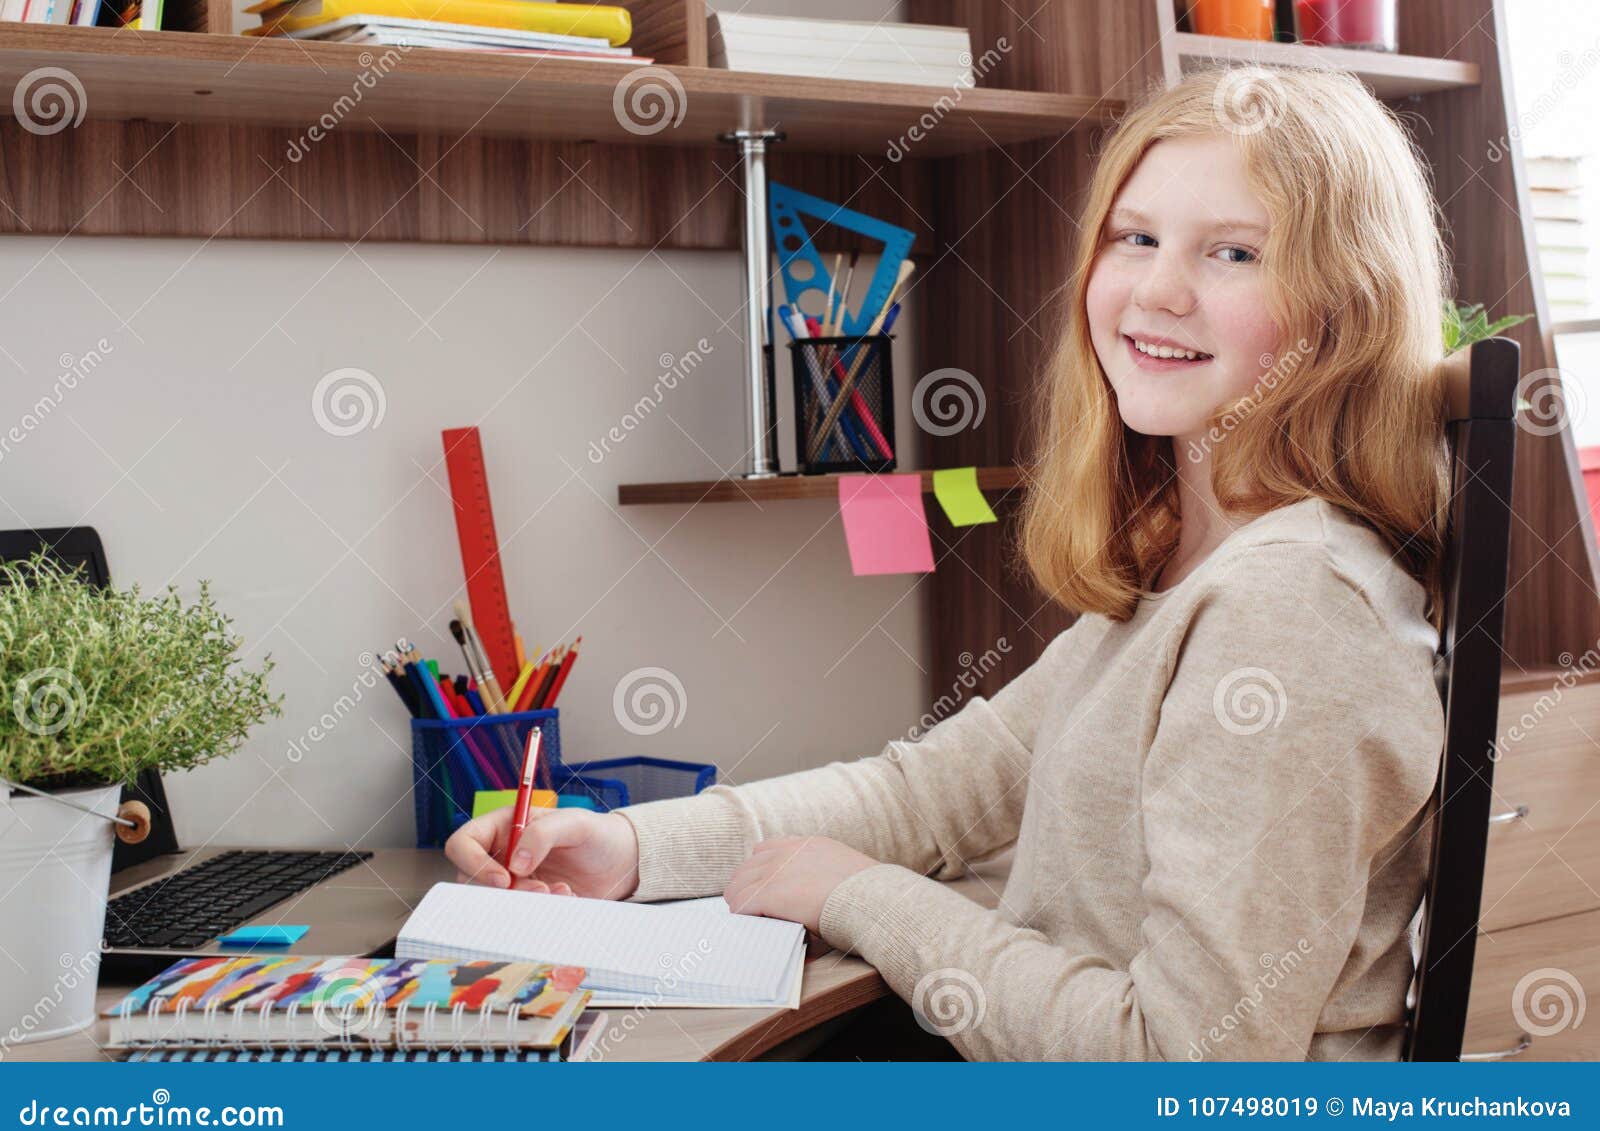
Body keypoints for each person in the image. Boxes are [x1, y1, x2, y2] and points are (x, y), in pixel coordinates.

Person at [446, 65, 1451, 1061]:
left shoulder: (1289, 607)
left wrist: (857, 895)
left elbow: (1182, 1065)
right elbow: (930, 794)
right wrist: (629, 850)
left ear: (1342, 310)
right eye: (1133, 238)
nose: (1157, 289)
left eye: (1234, 253)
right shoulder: (1182, 561)